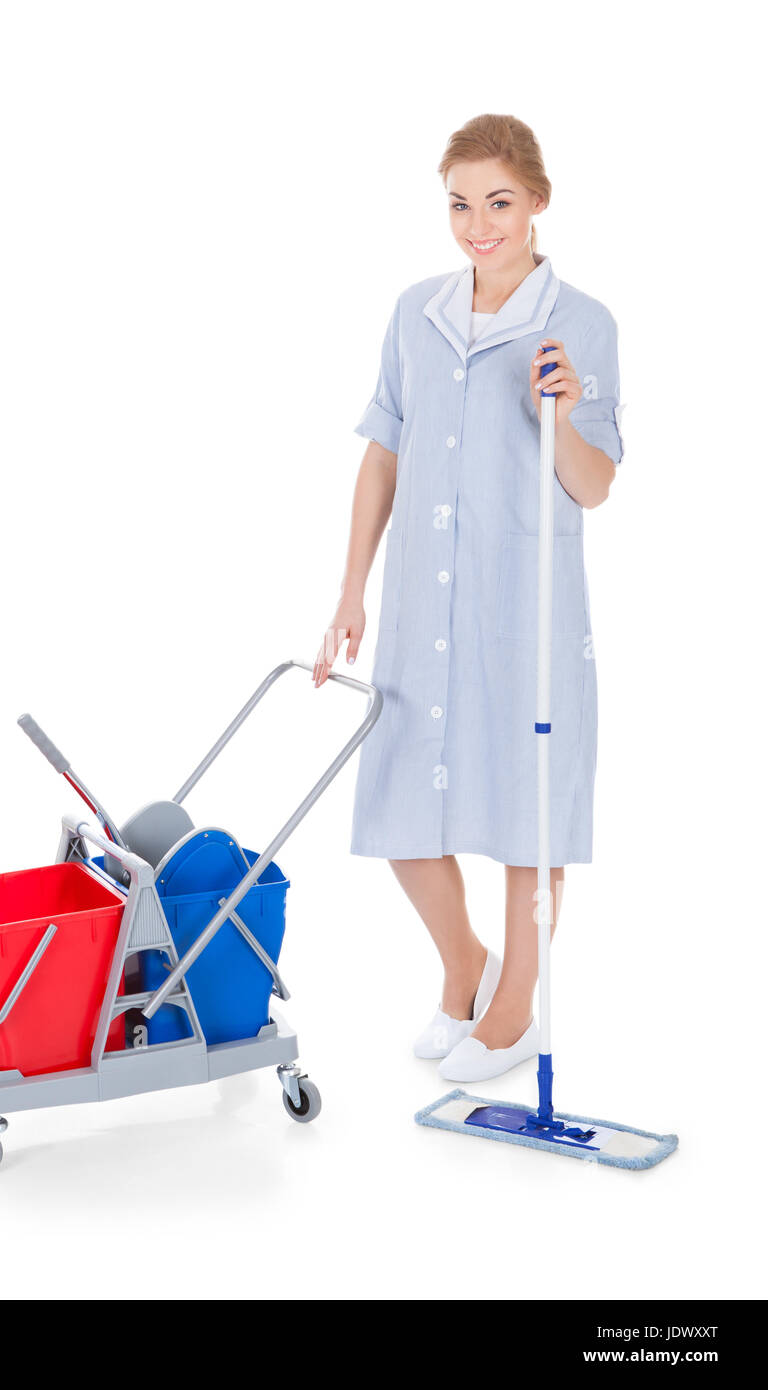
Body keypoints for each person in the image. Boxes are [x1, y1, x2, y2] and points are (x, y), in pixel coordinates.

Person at [313, 113, 623, 1082]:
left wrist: (568, 410)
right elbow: (381, 454)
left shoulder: (583, 323)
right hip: (419, 604)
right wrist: (350, 590)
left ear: (537, 202)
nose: (476, 223)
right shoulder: (416, 312)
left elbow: (593, 483)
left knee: (528, 810)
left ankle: (515, 1008)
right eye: (458, 203)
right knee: (405, 803)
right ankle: (466, 971)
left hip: (522, 607)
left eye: (497, 201)